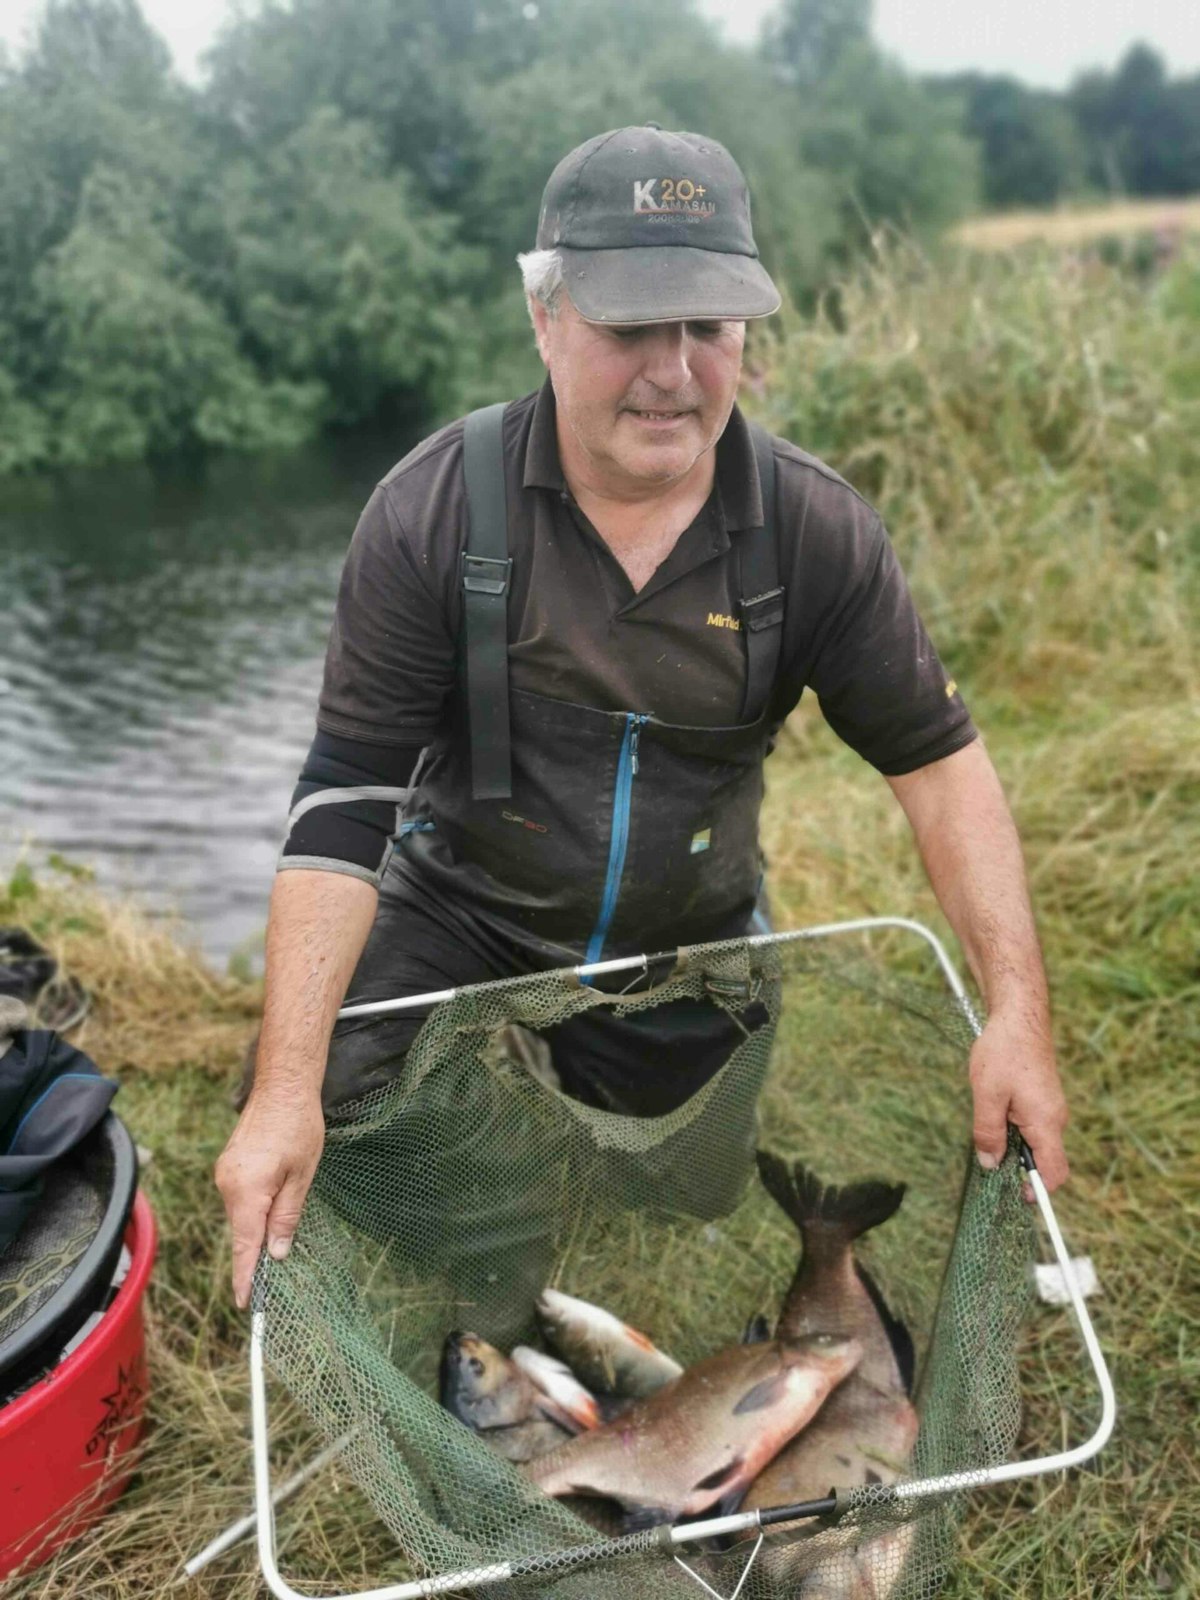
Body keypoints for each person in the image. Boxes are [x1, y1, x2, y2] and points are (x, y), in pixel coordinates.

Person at [216, 125, 1069, 1311]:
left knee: (686, 1190)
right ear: (545, 317)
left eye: (709, 328)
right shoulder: (429, 512)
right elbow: (346, 795)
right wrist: (285, 1085)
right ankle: (495, 1219)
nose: (673, 372)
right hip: (467, 907)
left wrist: (1020, 1013)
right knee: (336, 1092)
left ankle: (618, 1084)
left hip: (682, 933)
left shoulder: (816, 532)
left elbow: (941, 768)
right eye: (628, 327)